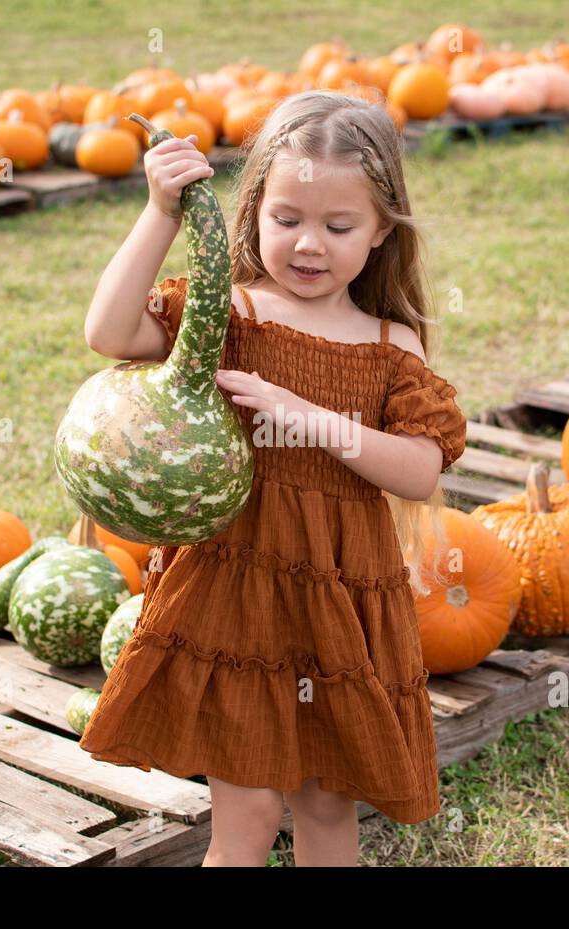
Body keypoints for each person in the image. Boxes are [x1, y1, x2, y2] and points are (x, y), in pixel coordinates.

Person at [78, 89, 468, 866]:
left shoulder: (392, 345)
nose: (308, 244)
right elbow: (109, 331)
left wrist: (310, 417)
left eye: (338, 225)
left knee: (326, 809)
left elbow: (421, 469)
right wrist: (162, 210)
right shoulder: (231, 316)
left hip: (341, 596)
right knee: (247, 815)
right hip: (238, 594)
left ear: (382, 228)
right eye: (287, 218)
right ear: (255, 209)